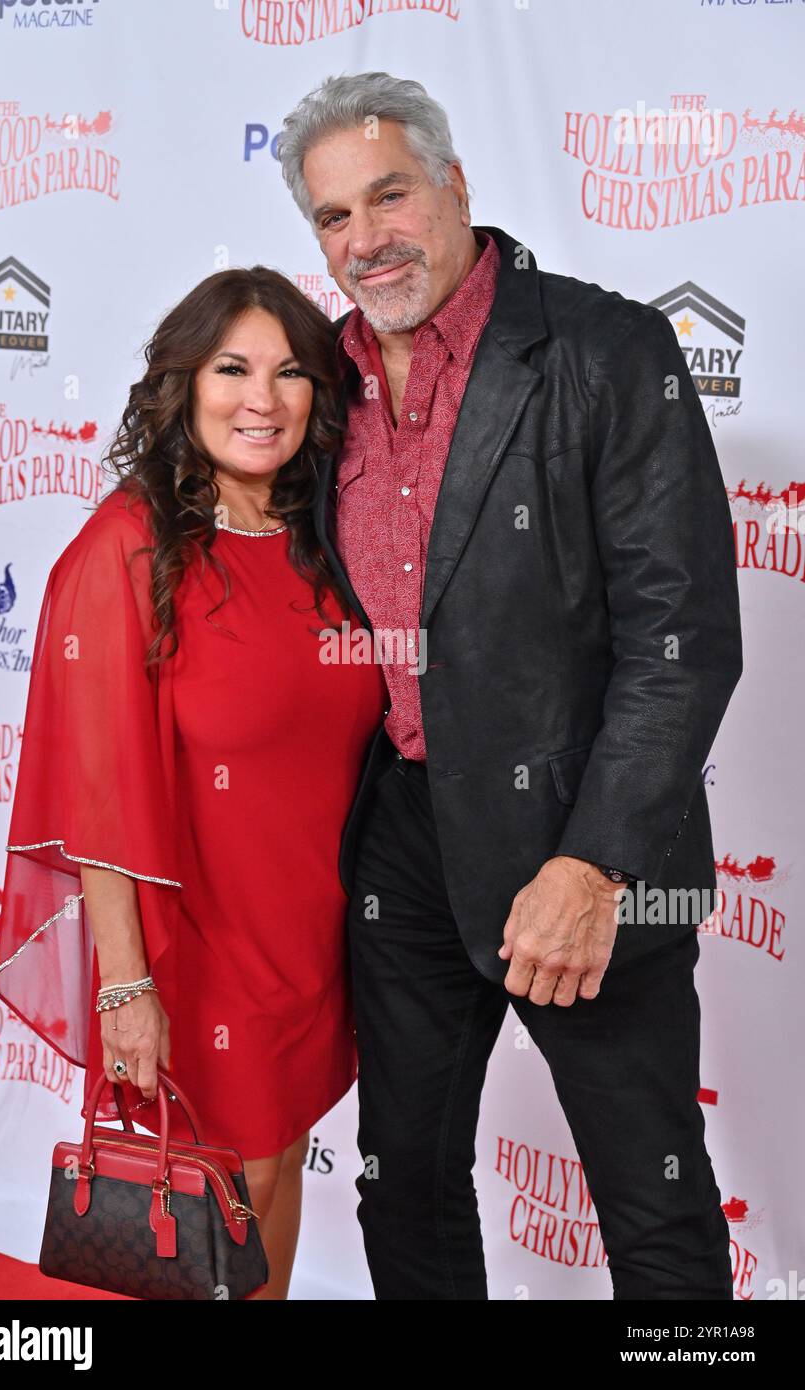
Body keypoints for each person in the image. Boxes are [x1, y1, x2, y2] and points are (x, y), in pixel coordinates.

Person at [275, 72, 743, 1299]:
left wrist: (595, 868)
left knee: (653, 1203)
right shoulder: (317, 384)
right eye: (333, 217)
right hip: (407, 847)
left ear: (455, 184)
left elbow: (681, 637)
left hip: (584, 846)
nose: (367, 237)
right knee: (406, 1186)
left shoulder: (606, 348)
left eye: (389, 193)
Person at [0, 267, 388, 1299]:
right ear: (184, 382)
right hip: (192, 948)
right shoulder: (124, 548)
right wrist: (126, 989)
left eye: (292, 370)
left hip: (308, 939)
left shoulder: (322, 543)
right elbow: (98, 793)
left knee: (275, 1169)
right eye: (233, 367)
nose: (263, 398)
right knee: (226, 1195)